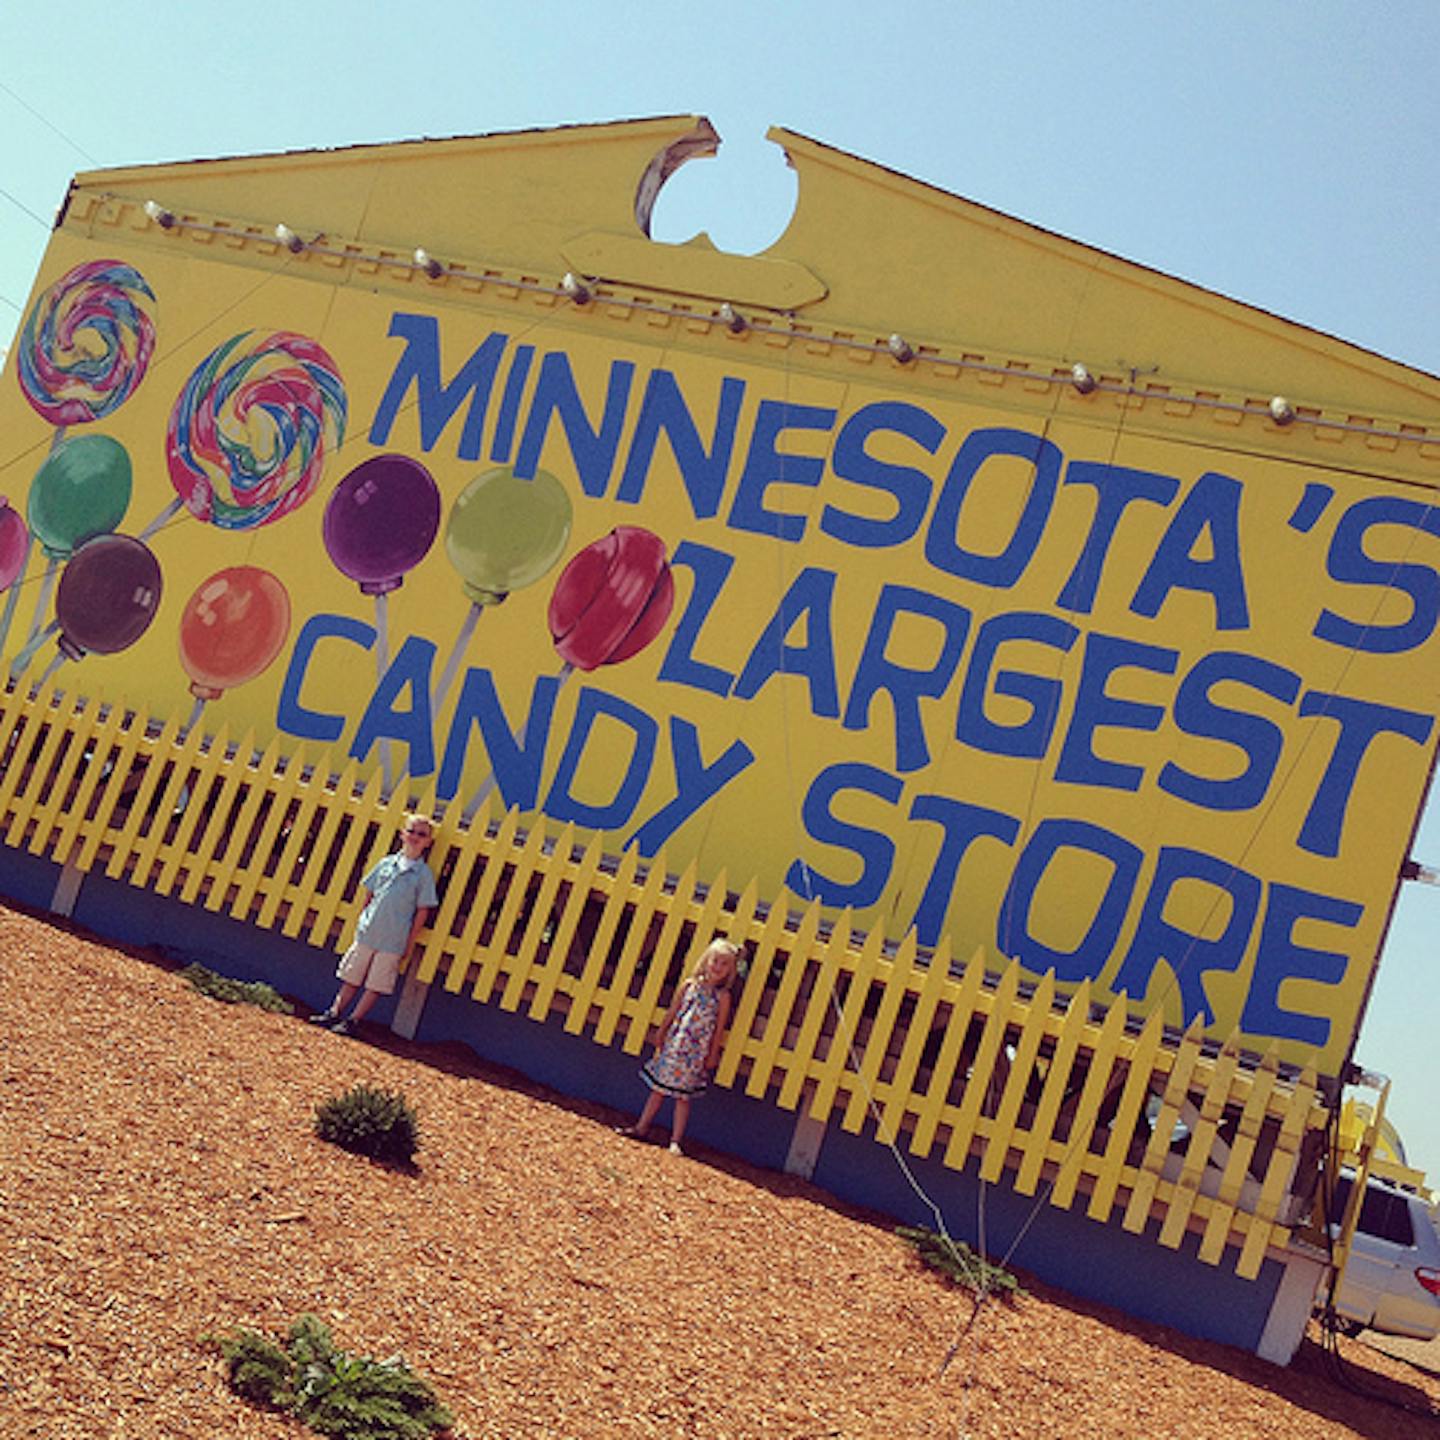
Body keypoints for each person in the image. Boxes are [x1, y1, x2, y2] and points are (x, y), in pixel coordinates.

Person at [308, 813, 438, 1036]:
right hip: (369, 931)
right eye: (411, 831)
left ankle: (354, 1020)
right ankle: (334, 1012)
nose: (415, 837)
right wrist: (363, 918)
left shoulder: (423, 875)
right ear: (402, 835)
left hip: (394, 938)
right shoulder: (387, 863)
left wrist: (410, 941)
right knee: (352, 975)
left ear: (428, 842)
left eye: (421, 834)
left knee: (376, 982)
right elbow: (369, 892)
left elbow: (422, 910)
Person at [618, 938, 740, 1155]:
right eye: (715, 961)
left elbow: (719, 1029)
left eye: (724, 964)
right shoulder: (690, 985)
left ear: (730, 970)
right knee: (658, 1089)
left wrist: (712, 1054)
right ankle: (641, 1127)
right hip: (676, 1044)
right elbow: (674, 1010)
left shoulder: (722, 997)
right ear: (706, 960)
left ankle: (676, 1140)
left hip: (695, 1053)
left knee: (683, 1097)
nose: (717, 967)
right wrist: (662, 1031)